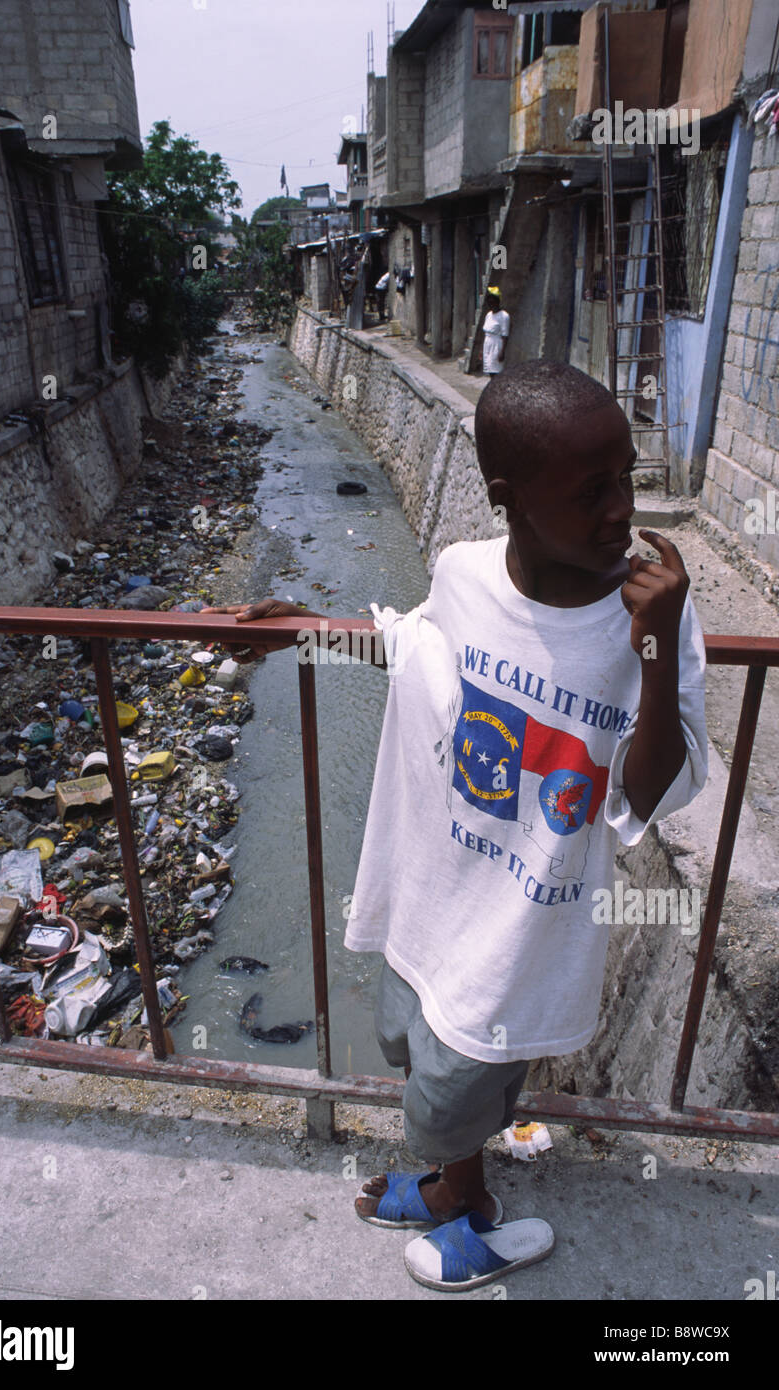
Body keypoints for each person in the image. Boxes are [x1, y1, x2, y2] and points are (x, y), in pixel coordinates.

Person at [200, 360, 708, 1292]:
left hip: (519, 935)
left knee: (455, 1089)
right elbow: (414, 647)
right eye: (592, 491)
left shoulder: (652, 618)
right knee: (410, 1044)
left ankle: (475, 1217)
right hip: (430, 893)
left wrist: (657, 646)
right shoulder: (462, 574)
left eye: (628, 478)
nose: (622, 512)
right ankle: (452, 1186)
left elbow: (648, 791)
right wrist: (302, 626)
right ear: (508, 500)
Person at [482, 286, 510, 375]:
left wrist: (502, 352)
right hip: (487, 345)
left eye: (493, 301)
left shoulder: (504, 316)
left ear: (497, 301)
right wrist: (481, 349)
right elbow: (486, 333)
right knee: (489, 369)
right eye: (489, 302)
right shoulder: (488, 315)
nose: (491, 304)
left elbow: (505, 335)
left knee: (496, 370)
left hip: (496, 346)